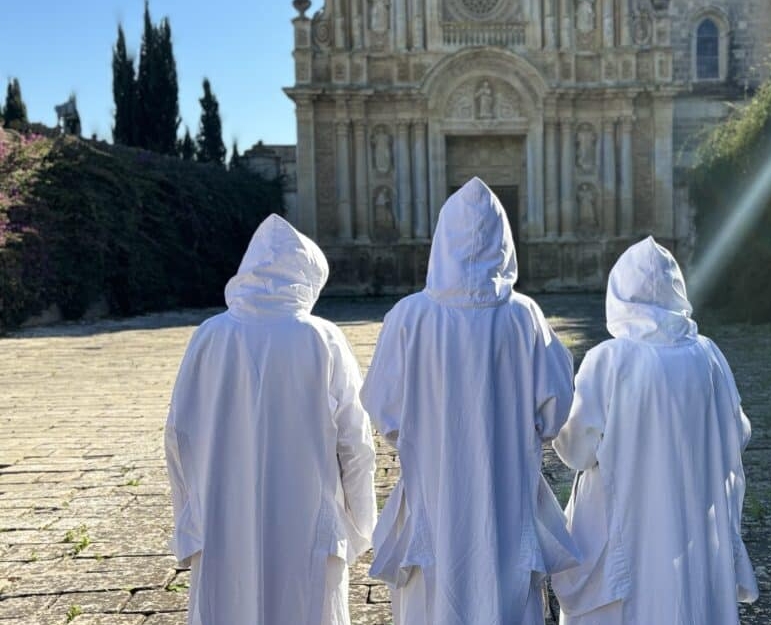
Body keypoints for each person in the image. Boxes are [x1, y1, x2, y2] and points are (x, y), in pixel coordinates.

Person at [361, 177, 580, 625]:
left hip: (433, 490)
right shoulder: (525, 318)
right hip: (506, 493)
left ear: (442, 238)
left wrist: (426, 432)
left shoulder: (409, 317)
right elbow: (556, 409)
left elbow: (384, 410)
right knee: (505, 594)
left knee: (434, 594)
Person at [164, 214, 377, 625]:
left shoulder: (209, 336)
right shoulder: (322, 338)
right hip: (308, 520)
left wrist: (191, 519)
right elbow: (355, 444)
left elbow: (178, 436)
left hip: (223, 520)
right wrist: (358, 526)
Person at [551, 236, 759, 625]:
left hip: (625, 526)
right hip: (690, 524)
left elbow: (576, 450)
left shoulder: (609, 360)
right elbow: (738, 433)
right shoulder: (709, 355)